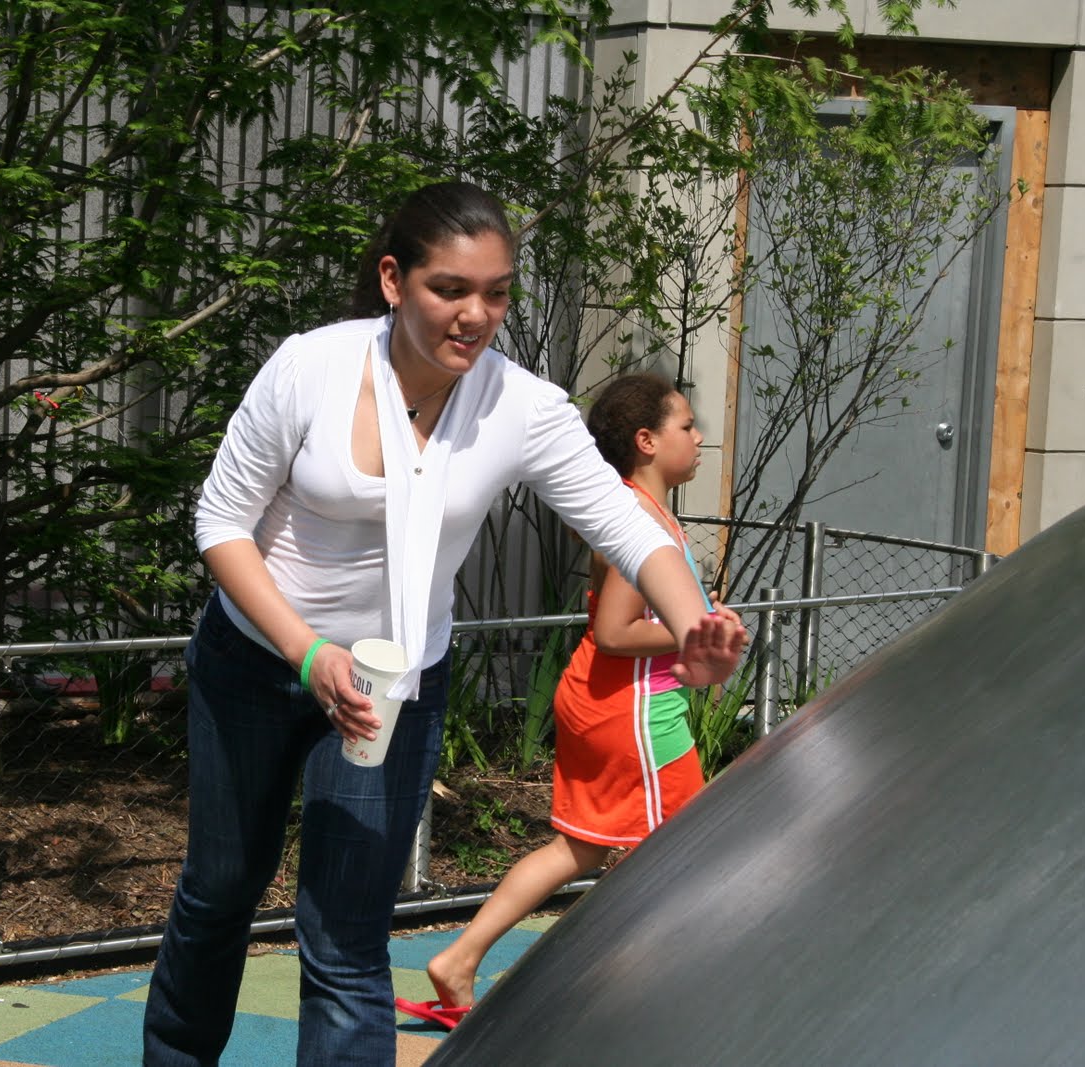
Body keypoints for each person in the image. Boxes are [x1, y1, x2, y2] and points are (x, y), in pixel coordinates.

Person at [141, 182, 745, 1066]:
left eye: (496, 293)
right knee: (220, 893)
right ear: (393, 279)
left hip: (395, 684)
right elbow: (221, 523)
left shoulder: (521, 405)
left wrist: (693, 622)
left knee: (346, 935)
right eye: (450, 290)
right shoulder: (311, 367)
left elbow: (624, 525)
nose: (476, 314)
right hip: (260, 659)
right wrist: (306, 652)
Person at [420, 372, 735, 1022]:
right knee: (700, 844)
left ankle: (461, 959)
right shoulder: (635, 520)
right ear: (647, 441)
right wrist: (690, 631)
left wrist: (697, 618)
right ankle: (641, 991)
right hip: (636, 715)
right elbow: (615, 631)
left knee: (581, 849)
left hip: (606, 702)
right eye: (686, 425)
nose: (700, 436)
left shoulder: (635, 509)